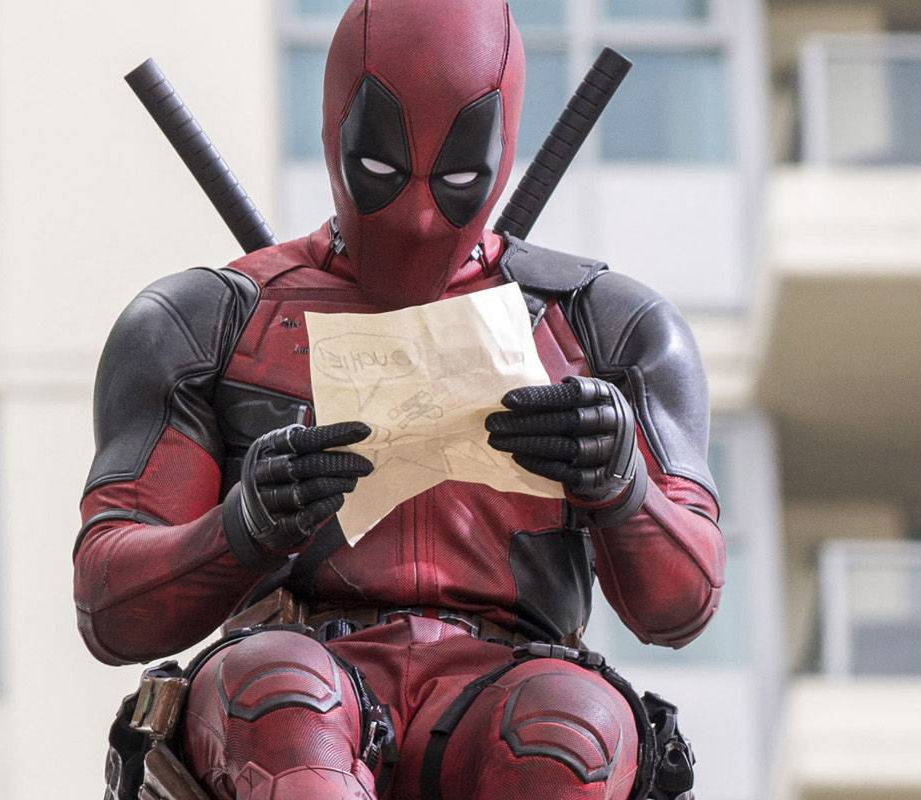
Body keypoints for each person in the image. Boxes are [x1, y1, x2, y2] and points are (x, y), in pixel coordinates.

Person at [73, 1, 724, 797]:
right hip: (294, 678)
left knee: (566, 735)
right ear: (335, 137)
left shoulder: (608, 327)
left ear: (499, 158)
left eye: (456, 181)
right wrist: (242, 528)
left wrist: (622, 485)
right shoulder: (205, 324)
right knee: (281, 702)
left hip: (513, 685)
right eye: (380, 171)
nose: (417, 217)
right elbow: (110, 603)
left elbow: (681, 602)